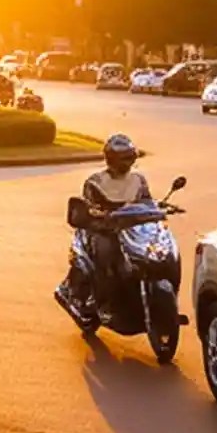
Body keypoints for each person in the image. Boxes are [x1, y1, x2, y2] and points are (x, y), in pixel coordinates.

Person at [77, 134, 151, 316]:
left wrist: (161, 207)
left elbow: (147, 200)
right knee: (107, 258)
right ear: (111, 159)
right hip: (105, 231)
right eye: (123, 158)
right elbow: (90, 206)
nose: (127, 162)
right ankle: (101, 300)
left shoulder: (138, 180)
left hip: (133, 229)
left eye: (129, 157)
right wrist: (99, 214)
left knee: (155, 250)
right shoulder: (95, 181)